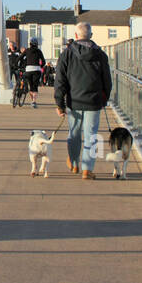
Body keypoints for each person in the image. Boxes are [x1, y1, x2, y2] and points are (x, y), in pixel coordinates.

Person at [54, 22, 113, 180]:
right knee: (92, 136)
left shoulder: (67, 54)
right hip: (93, 102)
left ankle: (74, 163)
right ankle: (88, 169)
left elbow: (60, 80)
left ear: (75, 36)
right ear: (91, 36)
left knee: (73, 133)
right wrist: (104, 98)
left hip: (74, 101)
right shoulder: (100, 54)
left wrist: (60, 103)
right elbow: (107, 80)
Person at [20, 38, 45, 107]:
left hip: (28, 70)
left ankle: (32, 101)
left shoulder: (27, 50)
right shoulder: (39, 51)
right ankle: (34, 101)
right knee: (35, 86)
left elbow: (20, 57)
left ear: (30, 44)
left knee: (31, 86)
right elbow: (43, 61)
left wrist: (19, 64)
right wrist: (40, 66)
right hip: (37, 70)